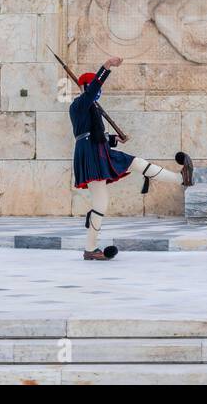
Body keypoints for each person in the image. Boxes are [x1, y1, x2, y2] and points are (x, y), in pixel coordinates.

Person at [70, 56, 194, 260]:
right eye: (93, 87)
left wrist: (113, 139)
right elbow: (87, 129)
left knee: (135, 163)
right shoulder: (80, 103)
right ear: (86, 86)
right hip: (92, 155)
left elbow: (92, 133)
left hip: (97, 151)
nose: (98, 91)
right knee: (100, 204)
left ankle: (181, 179)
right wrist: (106, 67)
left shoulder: (89, 107)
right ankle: (90, 249)